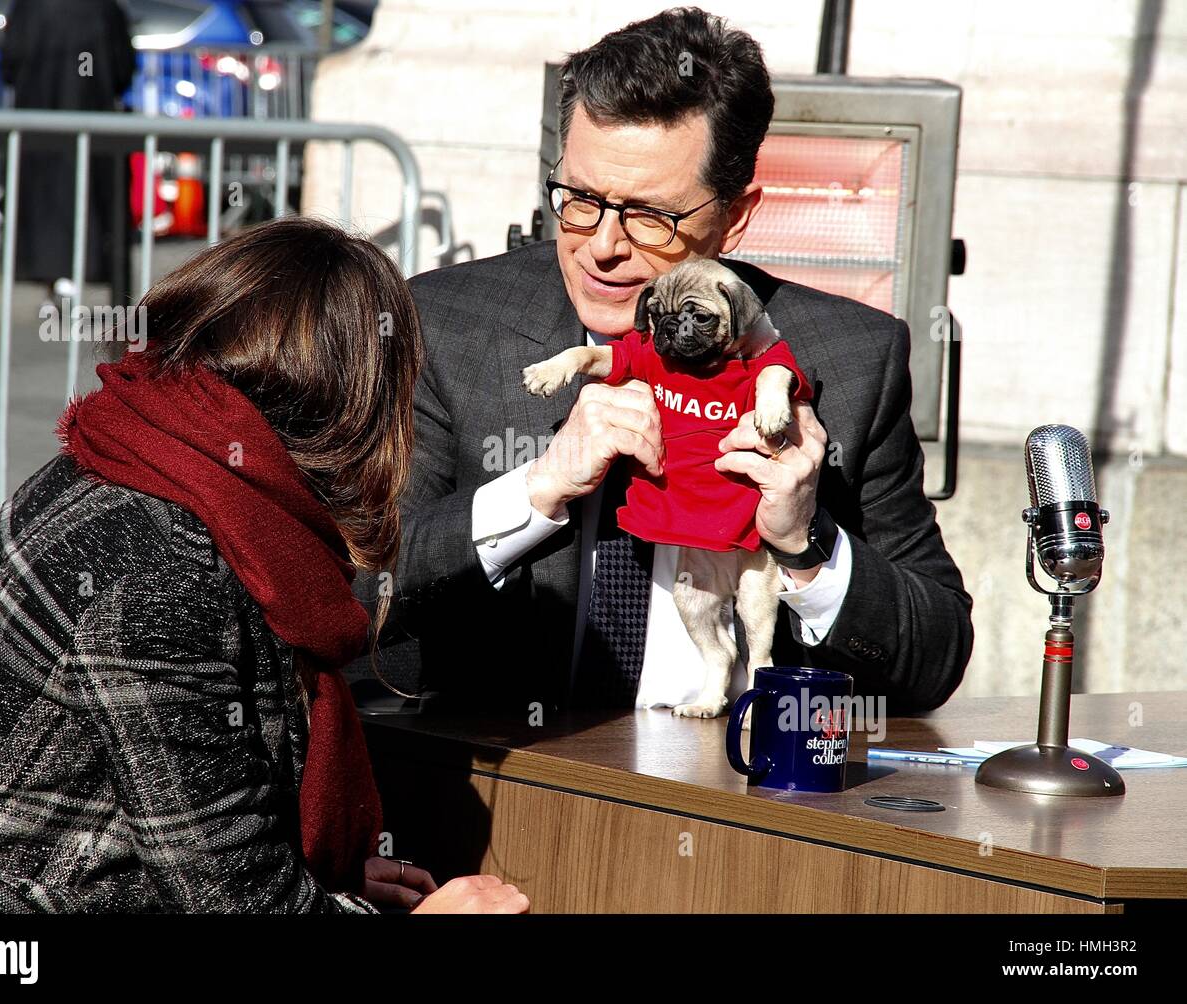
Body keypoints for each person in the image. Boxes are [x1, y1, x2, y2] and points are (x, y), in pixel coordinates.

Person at [0, 217, 528, 915]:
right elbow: (235, 903)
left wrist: (321, 884)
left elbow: (205, 817)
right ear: (355, 413)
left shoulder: (148, 448)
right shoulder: (159, 569)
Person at [358, 7, 973, 718]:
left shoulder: (854, 358)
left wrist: (807, 546)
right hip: (512, 783)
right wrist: (533, 491)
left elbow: (934, 660)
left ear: (736, 216)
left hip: (739, 792)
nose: (603, 246)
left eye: (653, 216)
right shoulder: (446, 325)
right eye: (581, 201)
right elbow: (348, 597)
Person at [1, 0, 134, 297]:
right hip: (91, 119)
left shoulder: (28, 8)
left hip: (38, 122)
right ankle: (83, 274)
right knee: (88, 196)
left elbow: (9, 64)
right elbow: (122, 68)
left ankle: (53, 278)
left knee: (45, 200)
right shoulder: (103, 8)